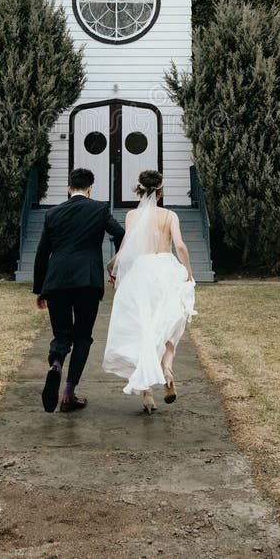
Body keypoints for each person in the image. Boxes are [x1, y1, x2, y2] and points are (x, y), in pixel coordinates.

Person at [102, 170, 196, 414]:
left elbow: (127, 249)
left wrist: (112, 266)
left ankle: (147, 394)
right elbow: (180, 245)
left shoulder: (132, 216)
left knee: (143, 329)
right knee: (167, 327)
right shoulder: (170, 215)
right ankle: (167, 369)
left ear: (139, 190)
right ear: (161, 191)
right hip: (166, 270)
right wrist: (188, 271)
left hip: (142, 272)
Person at [33, 168, 125, 413]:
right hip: (88, 282)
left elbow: (42, 253)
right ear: (90, 189)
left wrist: (39, 289)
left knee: (61, 335)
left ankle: (55, 365)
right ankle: (69, 394)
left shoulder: (52, 214)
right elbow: (120, 233)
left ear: (69, 188)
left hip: (57, 282)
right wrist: (115, 268)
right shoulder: (99, 209)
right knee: (83, 336)